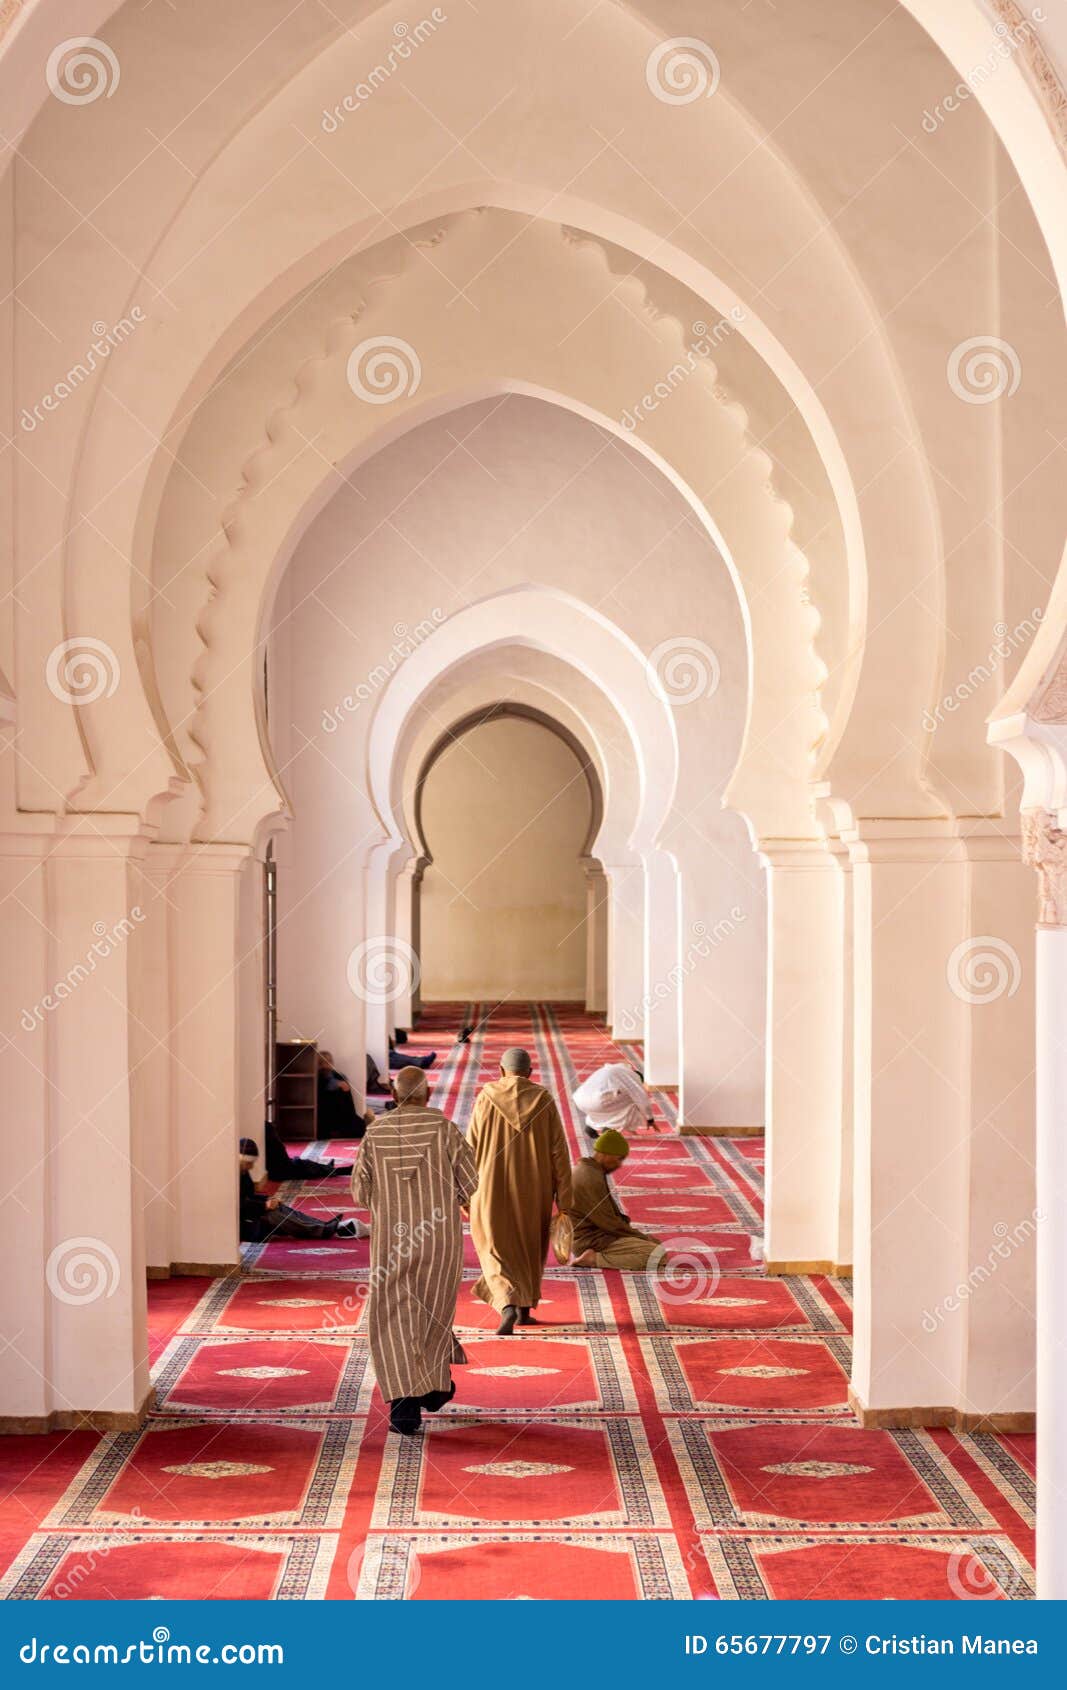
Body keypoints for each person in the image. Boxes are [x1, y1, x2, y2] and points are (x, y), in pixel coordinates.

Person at [353, 1066, 478, 1436]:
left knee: (391, 1318)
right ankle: (435, 1388)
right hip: (439, 1241)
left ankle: (405, 1407)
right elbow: (471, 1184)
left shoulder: (375, 1133)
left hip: (392, 1241)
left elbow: (360, 1193)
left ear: (394, 1094)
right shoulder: (446, 1131)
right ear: (428, 1094)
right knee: (433, 1313)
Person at [466, 1047, 573, 1336]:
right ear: (529, 1073)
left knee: (494, 1247)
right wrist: (565, 1198)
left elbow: (470, 1147)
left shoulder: (485, 1098)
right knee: (528, 1246)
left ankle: (507, 1305)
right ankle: (523, 1308)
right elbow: (559, 1153)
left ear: (501, 1071)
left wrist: (464, 1192)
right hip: (534, 1186)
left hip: (489, 1186)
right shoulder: (544, 1100)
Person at [238, 1140, 368, 1243]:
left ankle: (323, 1225)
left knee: (278, 1206)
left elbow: (248, 1197)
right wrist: (263, 1205)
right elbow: (238, 1206)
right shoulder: (230, 1178)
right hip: (245, 1223)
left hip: (251, 1210)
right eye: (248, 1163)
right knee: (274, 1215)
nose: (251, 1167)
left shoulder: (242, 1172)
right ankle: (321, 1230)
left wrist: (266, 1201)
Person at [569, 1129, 664, 1269]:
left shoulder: (588, 1170)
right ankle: (593, 1259)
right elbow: (608, 1222)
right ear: (604, 1154)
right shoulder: (590, 1178)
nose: (619, 1165)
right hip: (590, 1241)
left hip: (592, 1236)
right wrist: (641, 1237)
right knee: (657, 1255)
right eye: (619, 1159)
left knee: (654, 1247)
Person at [572, 1063, 656, 1140]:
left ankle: (591, 1127)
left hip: (579, 1099)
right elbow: (642, 1099)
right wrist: (650, 1119)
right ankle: (609, 1129)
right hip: (598, 1101)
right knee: (632, 1101)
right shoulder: (633, 1078)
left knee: (612, 1101)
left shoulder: (612, 1070)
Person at [263, 1115, 354, 1181]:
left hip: (283, 1166)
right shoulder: (269, 1137)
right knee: (306, 1166)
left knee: (305, 1164)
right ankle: (337, 1170)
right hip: (281, 1171)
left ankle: (331, 1169)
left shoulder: (266, 1134)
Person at [316, 1050, 372, 1138]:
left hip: (342, 1115)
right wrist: (335, 1085)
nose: (325, 1066)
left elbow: (348, 1103)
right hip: (324, 1116)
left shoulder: (339, 1076)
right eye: (321, 1063)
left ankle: (338, 1130)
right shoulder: (315, 1078)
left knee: (362, 1128)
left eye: (328, 1062)